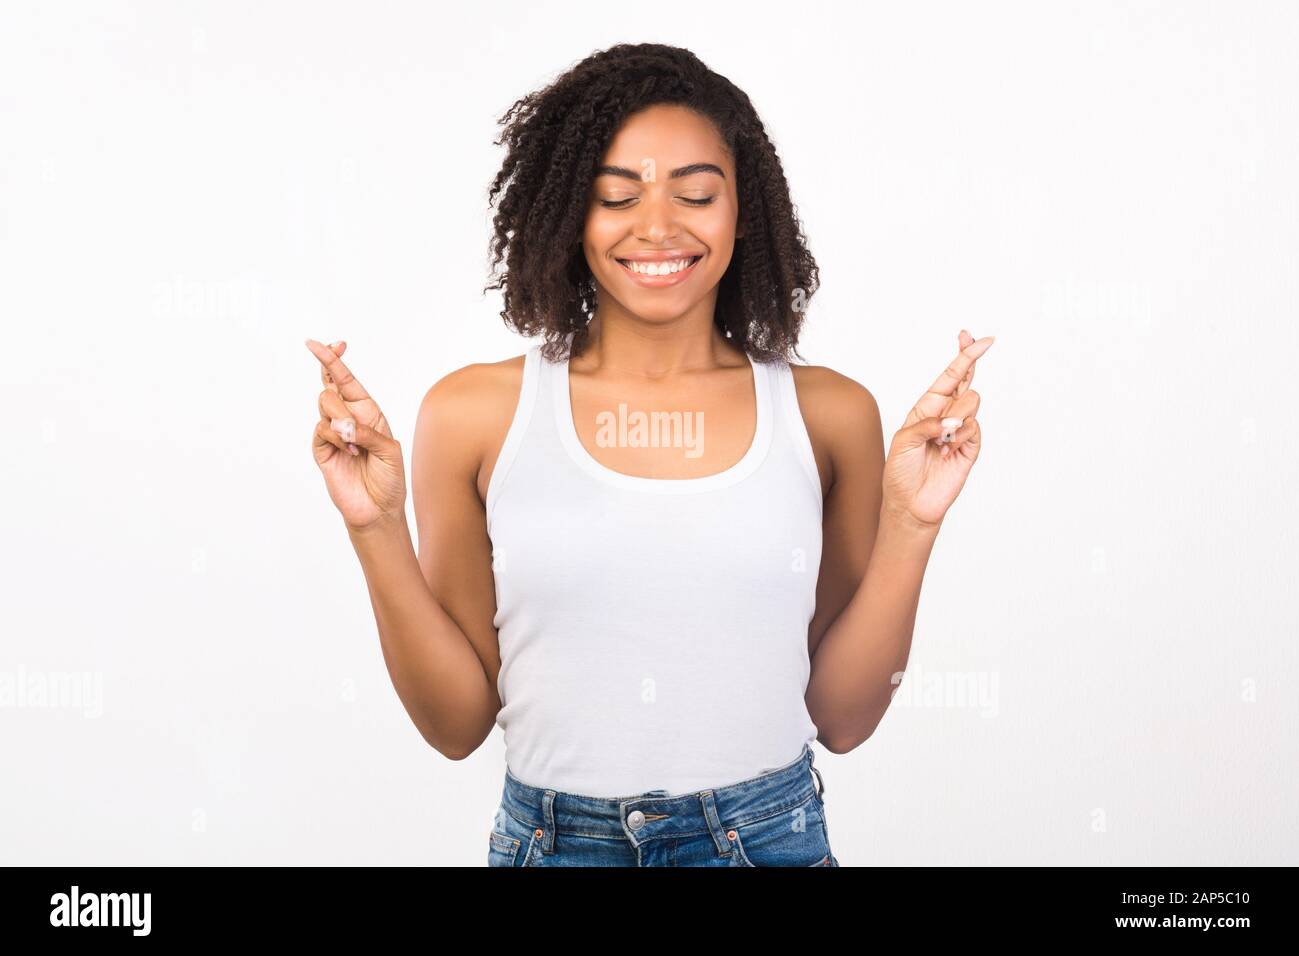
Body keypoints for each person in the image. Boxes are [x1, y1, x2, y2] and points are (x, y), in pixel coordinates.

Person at [304, 43, 994, 867]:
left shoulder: (829, 415)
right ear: (568, 212)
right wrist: (375, 526)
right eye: (616, 197)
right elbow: (456, 726)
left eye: (696, 193)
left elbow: (844, 719)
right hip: (555, 846)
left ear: (746, 207)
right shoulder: (475, 414)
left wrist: (911, 524)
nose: (658, 227)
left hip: (769, 840)